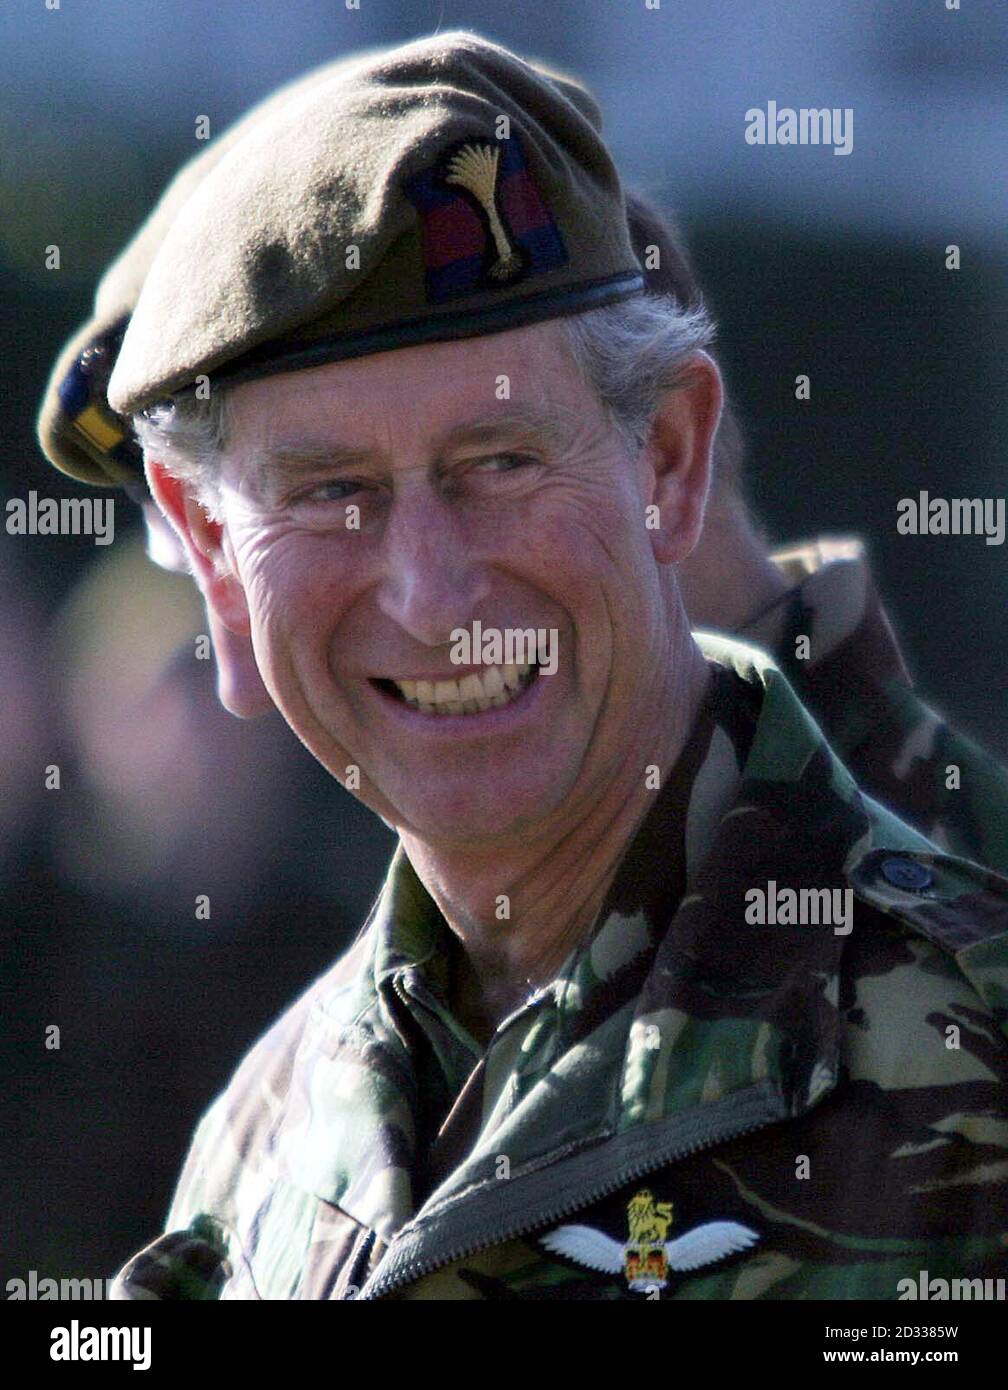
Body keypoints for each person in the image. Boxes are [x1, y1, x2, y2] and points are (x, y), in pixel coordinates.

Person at [37, 32, 1008, 1300]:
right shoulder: (259, 1148)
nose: (434, 596)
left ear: (668, 458)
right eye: (330, 493)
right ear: (217, 554)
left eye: (499, 460)